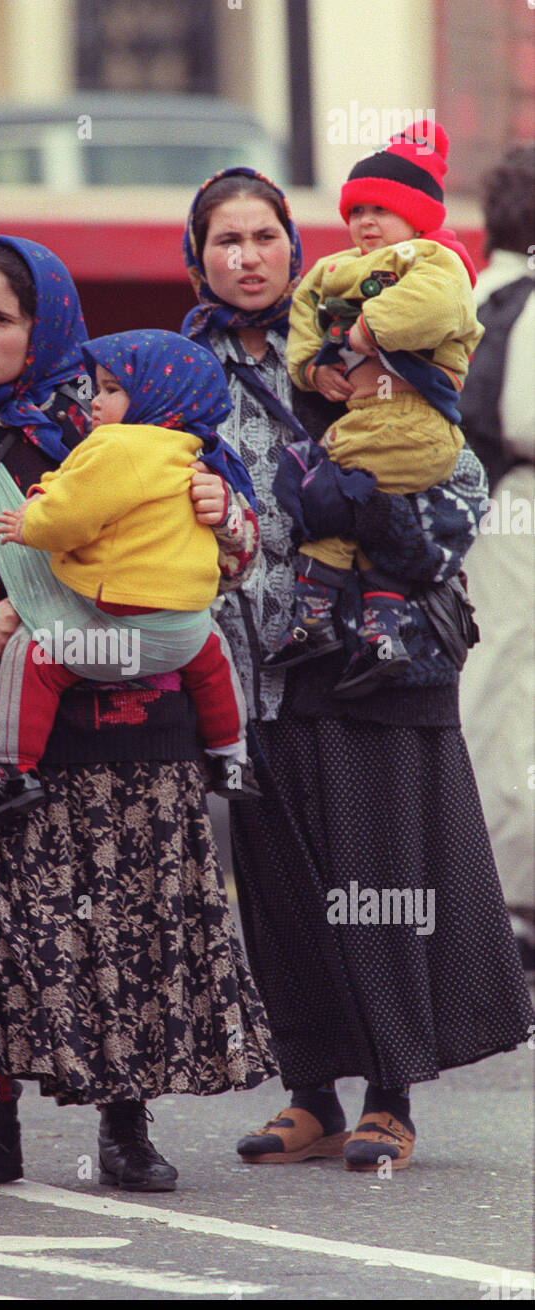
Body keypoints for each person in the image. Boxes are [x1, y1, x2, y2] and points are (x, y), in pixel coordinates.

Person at [181, 165, 535, 1173]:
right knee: (284, 895)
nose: (245, 258)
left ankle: (388, 1096)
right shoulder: (182, 366)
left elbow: (457, 475)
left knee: (380, 883)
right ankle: (306, 1094)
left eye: (262, 238)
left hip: (369, 664)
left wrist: (373, 519)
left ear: (295, 247)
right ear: (197, 254)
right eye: (223, 241)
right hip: (245, 668)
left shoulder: (368, 330)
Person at [0, 234, 275, 1193]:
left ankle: (126, 1126)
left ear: (47, 328)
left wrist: (222, 515)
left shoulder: (125, 417)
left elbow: (234, 563)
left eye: (2, 317)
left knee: (130, 925)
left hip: (140, 727)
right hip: (11, 728)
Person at [0, 327, 261, 832]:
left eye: (110, 390)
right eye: (95, 388)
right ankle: (231, 758)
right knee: (216, 656)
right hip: (183, 634)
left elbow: (75, 514)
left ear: (152, 394)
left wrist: (29, 523)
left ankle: (16, 774)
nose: (94, 402)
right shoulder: (190, 451)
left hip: (112, 637)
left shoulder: (119, 447)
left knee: (33, 656)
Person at [267, 121, 483, 698]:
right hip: (367, 419)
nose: (365, 222)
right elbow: (305, 314)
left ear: (416, 217)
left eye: (380, 210)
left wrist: (369, 328)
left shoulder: (435, 256)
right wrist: (314, 369)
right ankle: (377, 635)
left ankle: (318, 617)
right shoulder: (333, 269)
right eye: (355, 210)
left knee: (327, 494)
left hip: (415, 421)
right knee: (358, 518)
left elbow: (436, 305)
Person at [459, 145, 535, 977]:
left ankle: (484, 889)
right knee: (518, 689)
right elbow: (526, 418)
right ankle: (515, 899)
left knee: (485, 682)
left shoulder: (474, 294)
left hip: (474, 518)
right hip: (521, 514)